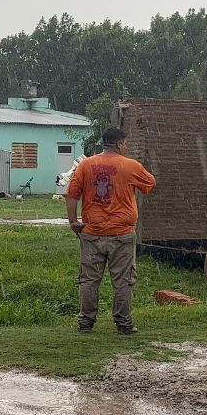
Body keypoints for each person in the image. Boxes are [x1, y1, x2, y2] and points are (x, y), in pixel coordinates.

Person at [65, 127, 156, 334]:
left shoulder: (86, 165)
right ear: (118, 144)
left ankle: (86, 322)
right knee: (123, 280)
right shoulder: (130, 166)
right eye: (125, 144)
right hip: (122, 234)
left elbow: (71, 194)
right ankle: (123, 324)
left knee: (89, 279)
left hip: (92, 232)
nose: (126, 147)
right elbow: (149, 184)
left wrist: (73, 221)